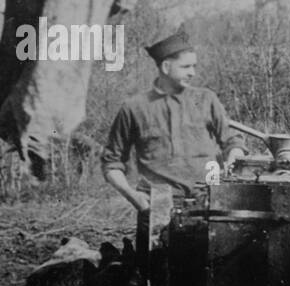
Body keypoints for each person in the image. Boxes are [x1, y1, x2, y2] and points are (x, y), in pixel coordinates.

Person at [101, 29, 245, 211]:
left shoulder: (206, 99)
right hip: (156, 205)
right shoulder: (134, 107)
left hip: (209, 202)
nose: (192, 73)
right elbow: (111, 163)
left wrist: (232, 163)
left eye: (194, 66)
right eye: (186, 67)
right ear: (166, 67)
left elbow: (233, 141)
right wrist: (132, 195)